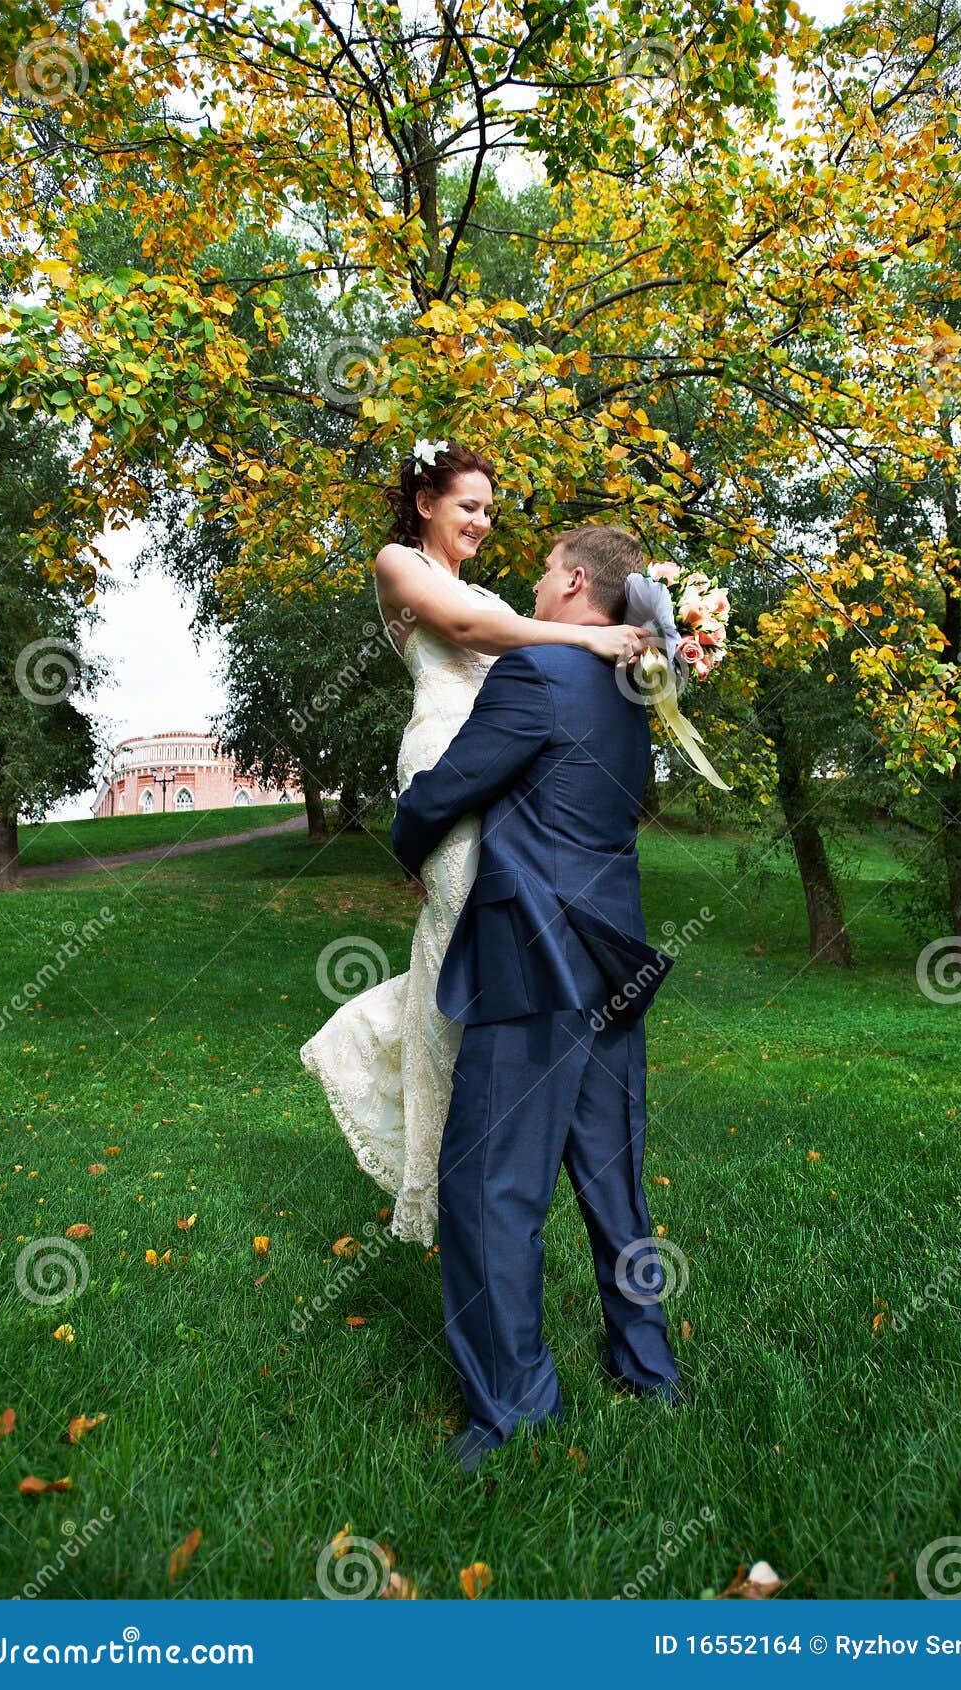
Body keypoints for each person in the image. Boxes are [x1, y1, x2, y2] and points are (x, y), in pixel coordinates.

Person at [299, 440, 649, 1245]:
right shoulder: (399, 565)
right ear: (426, 504)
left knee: (481, 945)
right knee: (474, 945)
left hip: (504, 773)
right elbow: (466, 627)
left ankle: (492, 1140)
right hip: (447, 767)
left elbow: (507, 637)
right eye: (468, 506)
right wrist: (588, 640)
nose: (483, 522)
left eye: (489, 510)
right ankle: (467, 1157)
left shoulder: (498, 599)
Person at [392, 520, 682, 1471]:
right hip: (614, 952)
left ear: (569, 586)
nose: (529, 582)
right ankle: (647, 1368)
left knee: (488, 1186)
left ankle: (514, 1408)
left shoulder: (537, 675)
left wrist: (404, 838)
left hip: (533, 957)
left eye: (542, 571)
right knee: (613, 1183)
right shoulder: (630, 693)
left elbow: (453, 786)